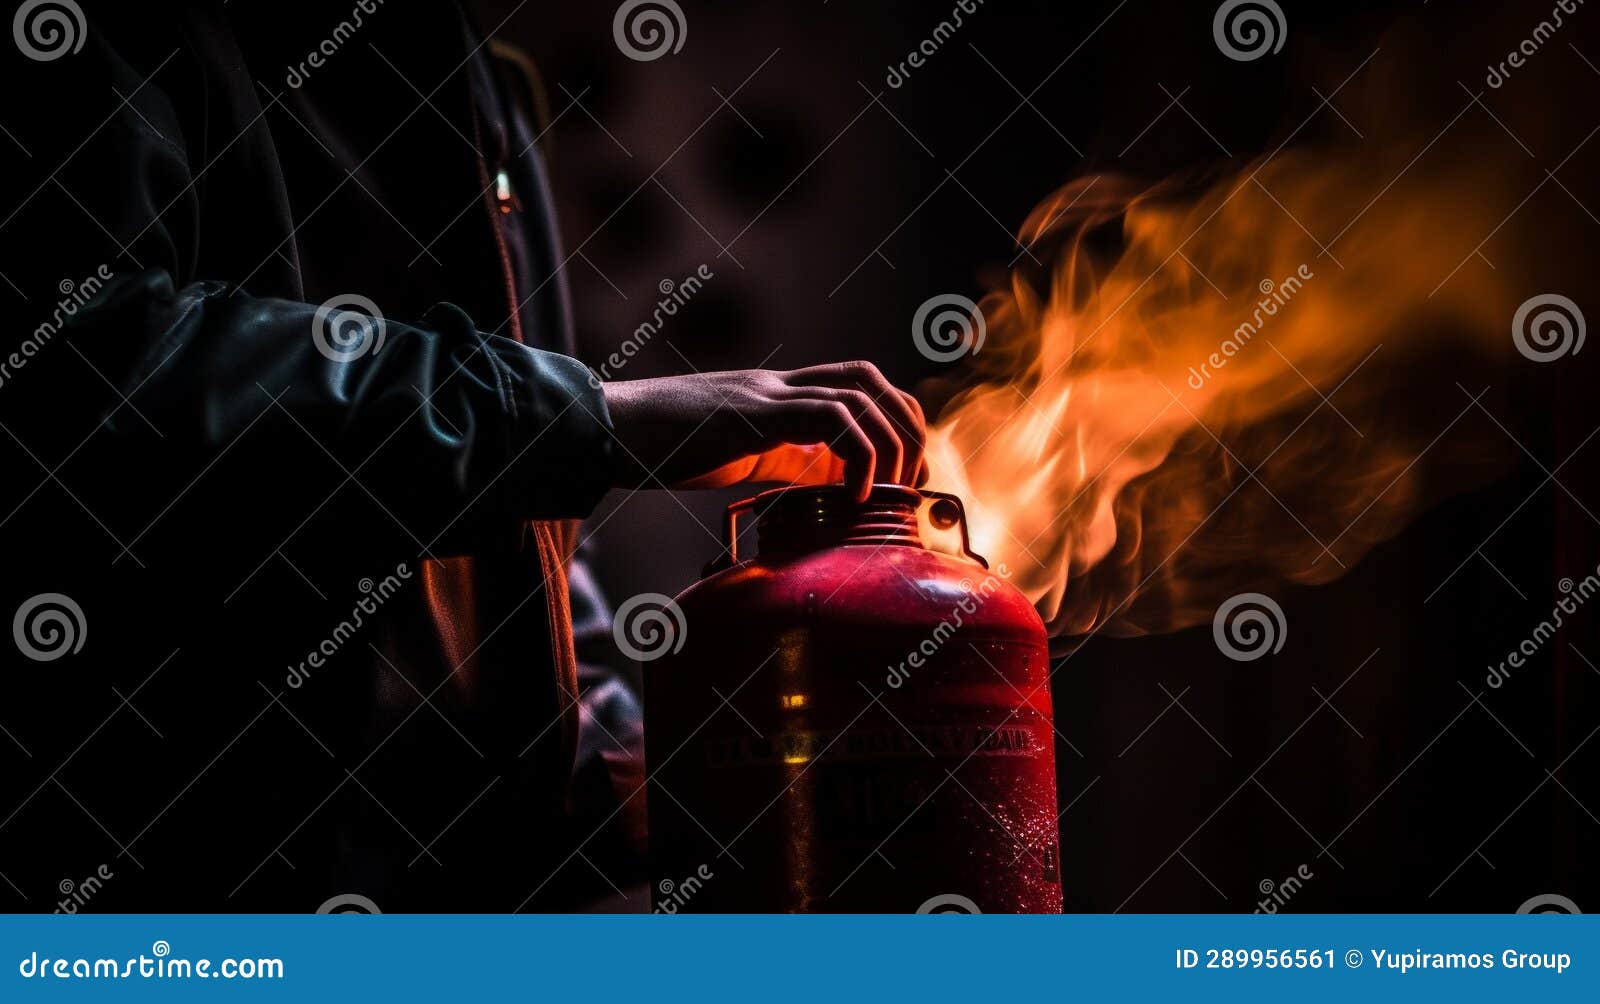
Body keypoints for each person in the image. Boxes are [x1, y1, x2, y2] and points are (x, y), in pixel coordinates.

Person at [0, 2, 924, 911]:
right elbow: (92, 377)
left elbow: (539, 548)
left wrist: (653, 774)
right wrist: (588, 423)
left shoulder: (482, 81)